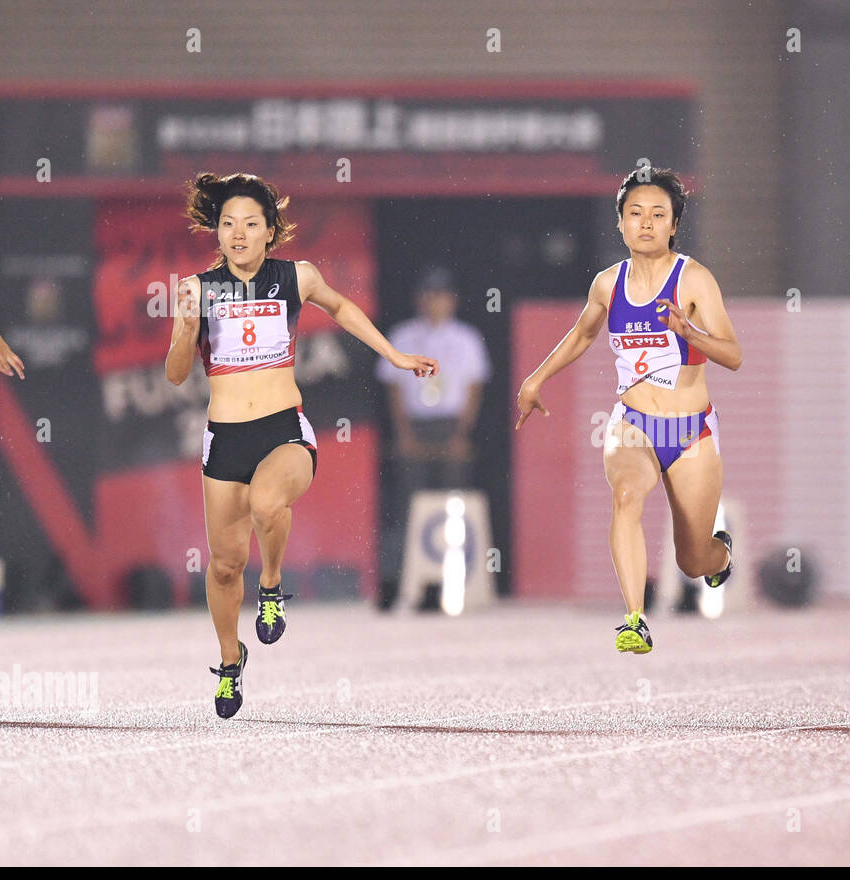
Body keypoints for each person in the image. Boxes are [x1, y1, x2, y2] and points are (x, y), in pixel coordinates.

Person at [166, 172, 437, 718]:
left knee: (268, 503)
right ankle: (228, 661)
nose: (238, 234)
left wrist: (394, 355)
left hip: (282, 429)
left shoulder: (297, 277)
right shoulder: (197, 290)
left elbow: (341, 309)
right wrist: (183, 330)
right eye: (227, 225)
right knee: (222, 566)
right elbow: (175, 376)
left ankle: (270, 585)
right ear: (216, 233)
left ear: (271, 232)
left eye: (250, 224)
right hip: (225, 439)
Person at [516, 167, 741, 653]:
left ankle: (720, 557)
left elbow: (733, 354)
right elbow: (581, 335)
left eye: (658, 215)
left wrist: (689, 333)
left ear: (674, 225)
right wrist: (536, 379)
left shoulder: (694, 279)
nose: (646, 223)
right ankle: (634, 619)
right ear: (620, 223)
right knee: (625, 496)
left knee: (691, 560)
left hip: (692, 433)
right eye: (635, 213)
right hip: (632, 423)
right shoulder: (607, 284)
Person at [375, 266, 490, 608]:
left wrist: (461, 434)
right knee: (407, 505)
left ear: (451, 300)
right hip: (416, 424)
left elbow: (473, 391)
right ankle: (396, 585)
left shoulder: (466, 339)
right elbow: (394, 391)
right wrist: (404, 433)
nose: (434, 302)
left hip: (450, 425)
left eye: (440, 295)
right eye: (428, 294)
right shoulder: (403, 335)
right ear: (419, 299)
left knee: (452, 503)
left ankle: (453, 584)